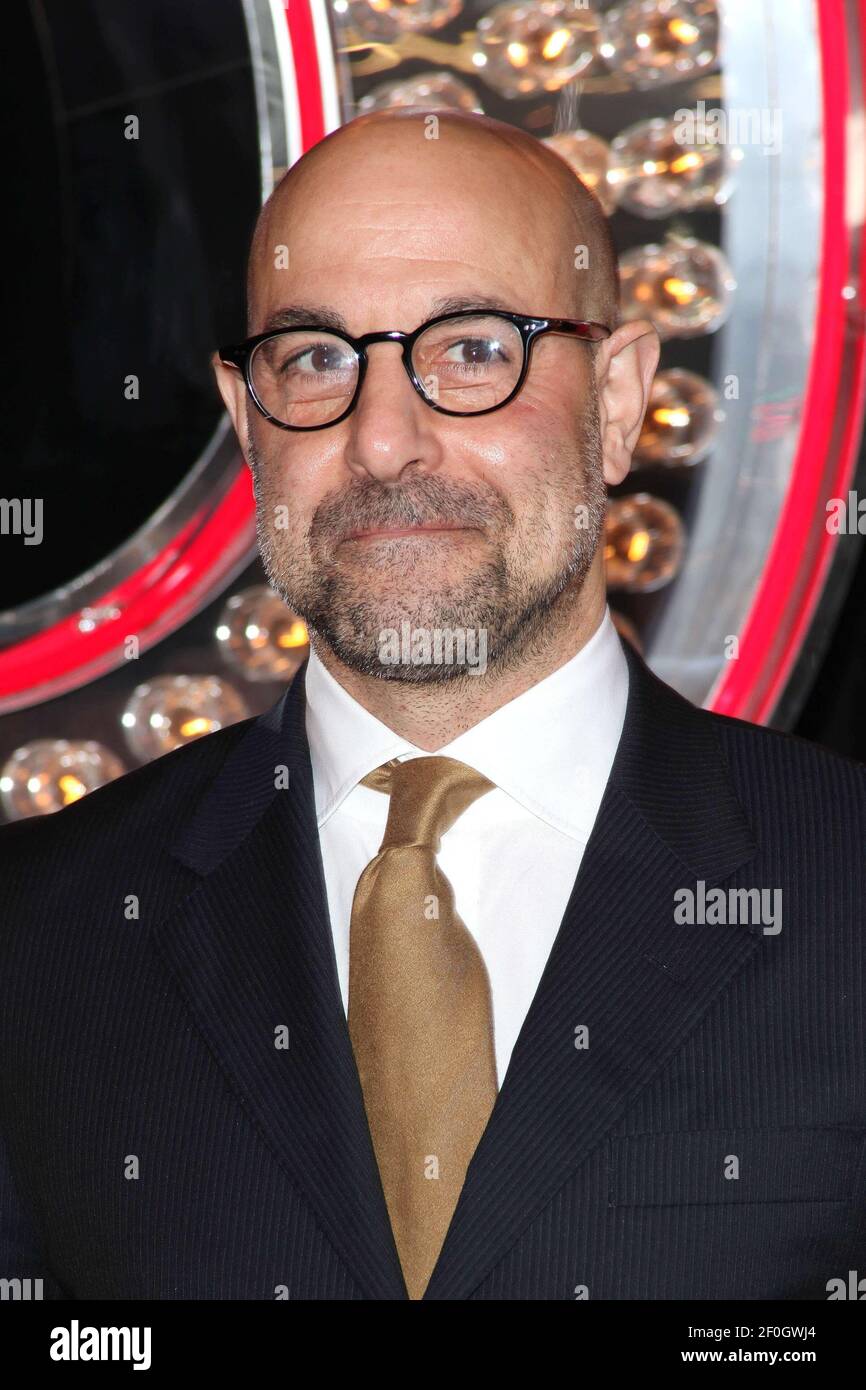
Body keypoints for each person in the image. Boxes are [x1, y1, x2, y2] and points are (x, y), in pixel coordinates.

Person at [0, 110, 863, 1302]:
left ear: (617, 402)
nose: (383, 440)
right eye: (314, 360)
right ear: (247, 420)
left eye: (470, 349)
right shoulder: (40, 934)